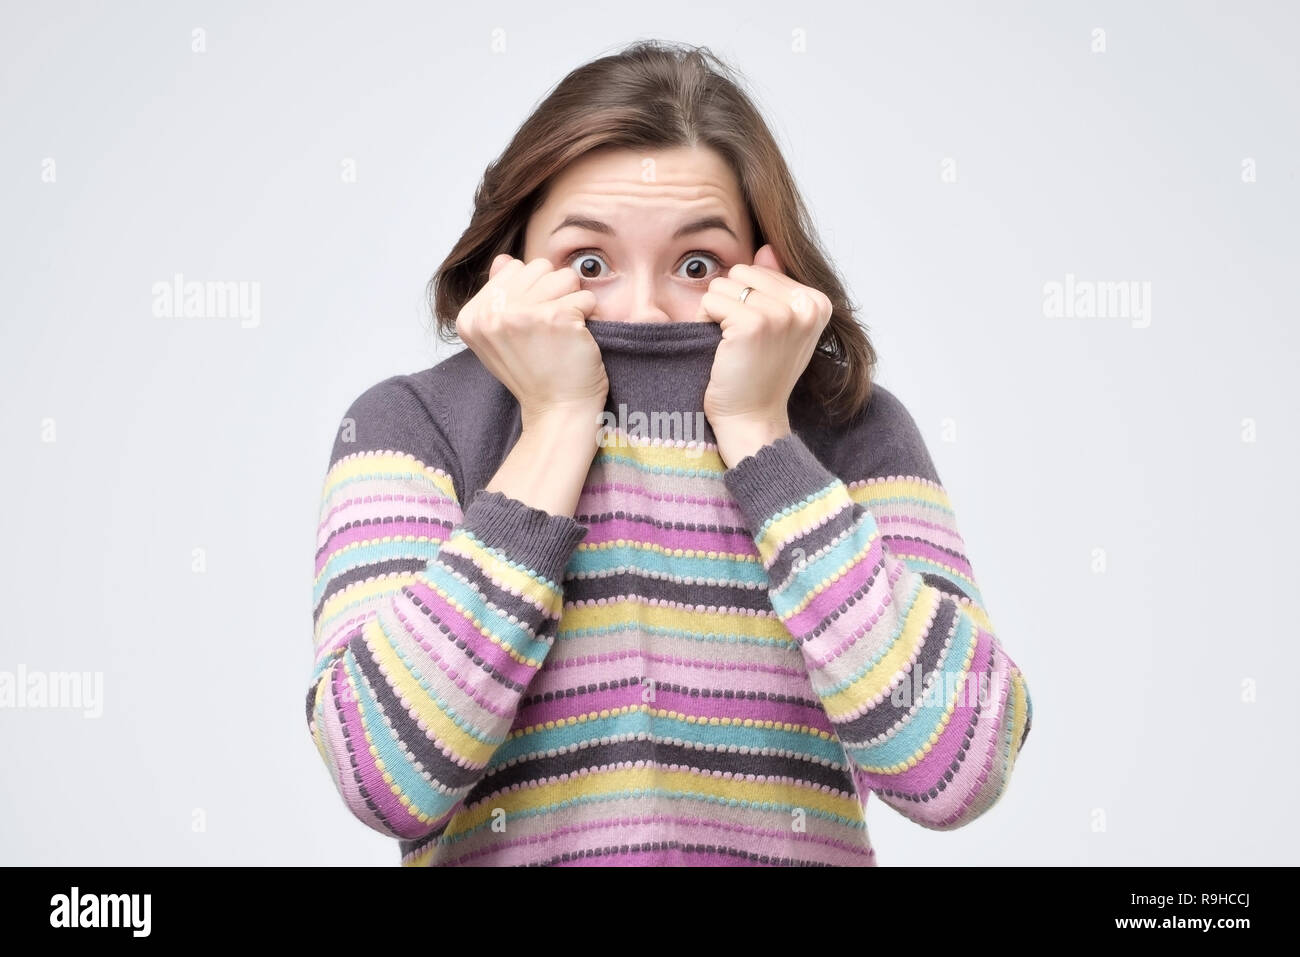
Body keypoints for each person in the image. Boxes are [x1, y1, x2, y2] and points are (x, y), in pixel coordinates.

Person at [307, 39, 1032, 866]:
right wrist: (554, 425)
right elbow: (381, 777)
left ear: (768, 266)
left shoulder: (851, 433)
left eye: (697, 264)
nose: (644, 314)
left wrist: (763, 438)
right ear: (509, 262)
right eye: (587, 262)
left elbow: (964, 769)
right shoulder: (414, 425)